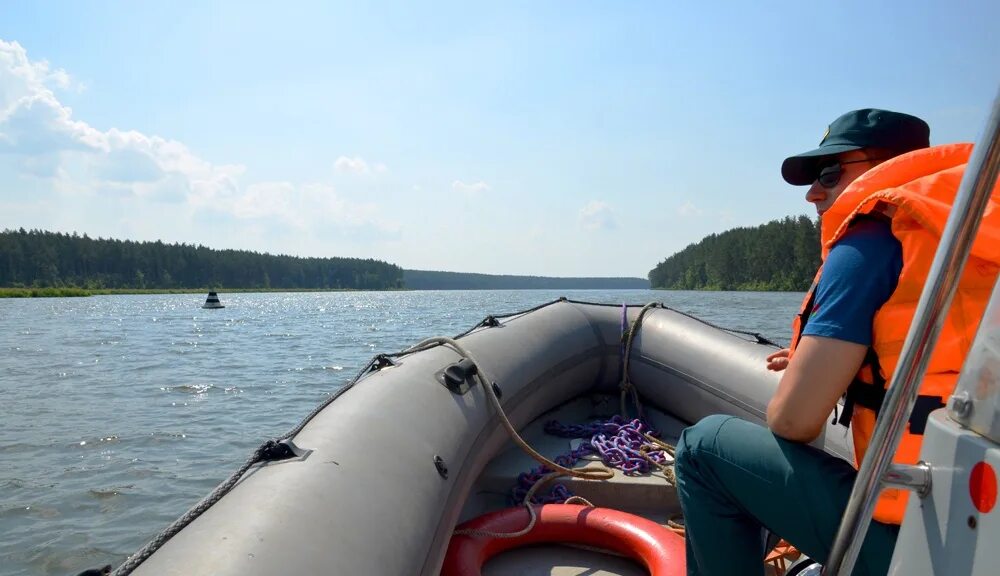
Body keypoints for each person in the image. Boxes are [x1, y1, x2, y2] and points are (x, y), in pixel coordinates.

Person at [673, 109, 1000, 576]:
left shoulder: (872, 244)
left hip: (921, 547)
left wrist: (817, 369)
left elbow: (795, 421)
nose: (813, 193)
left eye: (830, 173)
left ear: (892, 165)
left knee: (703, 448)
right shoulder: (979, 238)